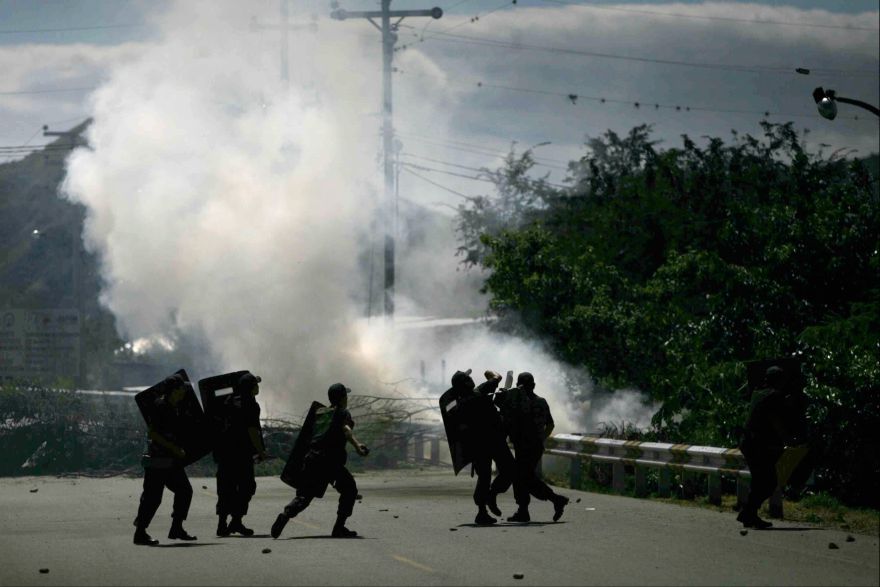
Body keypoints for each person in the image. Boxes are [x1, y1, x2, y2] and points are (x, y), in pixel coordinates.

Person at [271, 383, 369, 539]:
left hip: (312, 458)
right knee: (349, 489)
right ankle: (339, 528)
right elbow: (346, 429)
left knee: (304, 496)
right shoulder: (343, 413)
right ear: (343, 398)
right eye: (346, 396)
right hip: (331, 462)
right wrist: (357, 446)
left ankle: (285, 514)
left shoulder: (320, 413)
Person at [444, 368, 517, 525]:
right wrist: (489, 374)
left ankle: (482, 511)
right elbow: (496, 376)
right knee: (510, 470)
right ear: (466, 383)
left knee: (484, 477)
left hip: (476, 445)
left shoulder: (458, 404)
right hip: (494, 440)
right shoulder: (480, 391)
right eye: (468, 379)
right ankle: (492, 495)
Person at [494, 372, 569, 523]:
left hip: (526, 446)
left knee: (524, 477)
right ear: (533, 385)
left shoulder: (520, 404)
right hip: (533, 446)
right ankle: (526, 510)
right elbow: (550, 424)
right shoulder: (541, 401)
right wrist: (541, 439)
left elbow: (502, 409)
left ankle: (554, 500)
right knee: (524, 477)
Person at [133, 374, 198, 545]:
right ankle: (140, 533)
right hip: (158, 460)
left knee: (184, 491)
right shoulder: (160, 406)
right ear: (174, 390)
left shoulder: (175, 406)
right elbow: (153, 433)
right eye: (181, 388)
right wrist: (174, 448)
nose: (184, 391)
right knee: (152, 497)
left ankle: (176, 528)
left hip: (171, 461)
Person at [737, 365, 804, 529]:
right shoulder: (774, 396)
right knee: (769, 481)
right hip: (758, 444)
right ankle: (748, 512)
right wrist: (788, 440)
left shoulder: (758, 393)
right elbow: (776, 421)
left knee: (761, 480)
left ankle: (749, 514)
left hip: (748, 442)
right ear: (780, 381)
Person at [213, 372, 267, 537]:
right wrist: (260, 451)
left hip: (224, 452)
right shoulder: (251, 404)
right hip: (241, 454)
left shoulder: (229, 400)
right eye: (256, 385)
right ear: (251, 388)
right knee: (247, 487)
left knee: (226, 488)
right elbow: (252, 430)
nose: (258, 387)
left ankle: (222, 524)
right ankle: (236, 520)